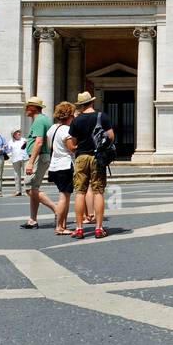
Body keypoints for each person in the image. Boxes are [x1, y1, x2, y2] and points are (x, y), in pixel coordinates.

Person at [68, 91, 115, 238]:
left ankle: (80, 228)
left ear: (80, 105)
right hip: (97, 156)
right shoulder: (102, 116)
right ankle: (99, 228)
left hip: (81, 157)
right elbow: (111, 137)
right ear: (92, 102)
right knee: (98, 191)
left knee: (80, 192)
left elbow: (72, 143)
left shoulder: (77, 120)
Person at [20, 97, 58, 229]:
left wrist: (30, 162)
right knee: (34, 188)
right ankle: (32, 219)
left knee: (29, 188)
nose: (25, 109)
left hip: (38, 157)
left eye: (28, 107)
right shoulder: (45, 120)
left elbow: (39, 142)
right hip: (43, 156)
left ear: (33, 108)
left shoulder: (38, 121)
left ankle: (57, 209)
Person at [46, 101, 77, 235]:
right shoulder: (66, 130)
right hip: (65, 165)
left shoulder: (52, 129)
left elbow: (50, 147)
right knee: (64, 197)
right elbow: (72, 148)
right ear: (69, 115)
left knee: (63, 195)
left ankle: (63, 224)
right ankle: (59, 226)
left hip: (54, 165)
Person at [7, 129, 27, 197]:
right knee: (17, 176)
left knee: (26, 175)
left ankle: (27, 190)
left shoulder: (24, 140)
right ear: (13, 135)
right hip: (15, 159)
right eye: (17, 132)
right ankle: (18, 191)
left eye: (19, 132)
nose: (18, 133)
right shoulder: (10, 142)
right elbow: (8, 151)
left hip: (25, 159)